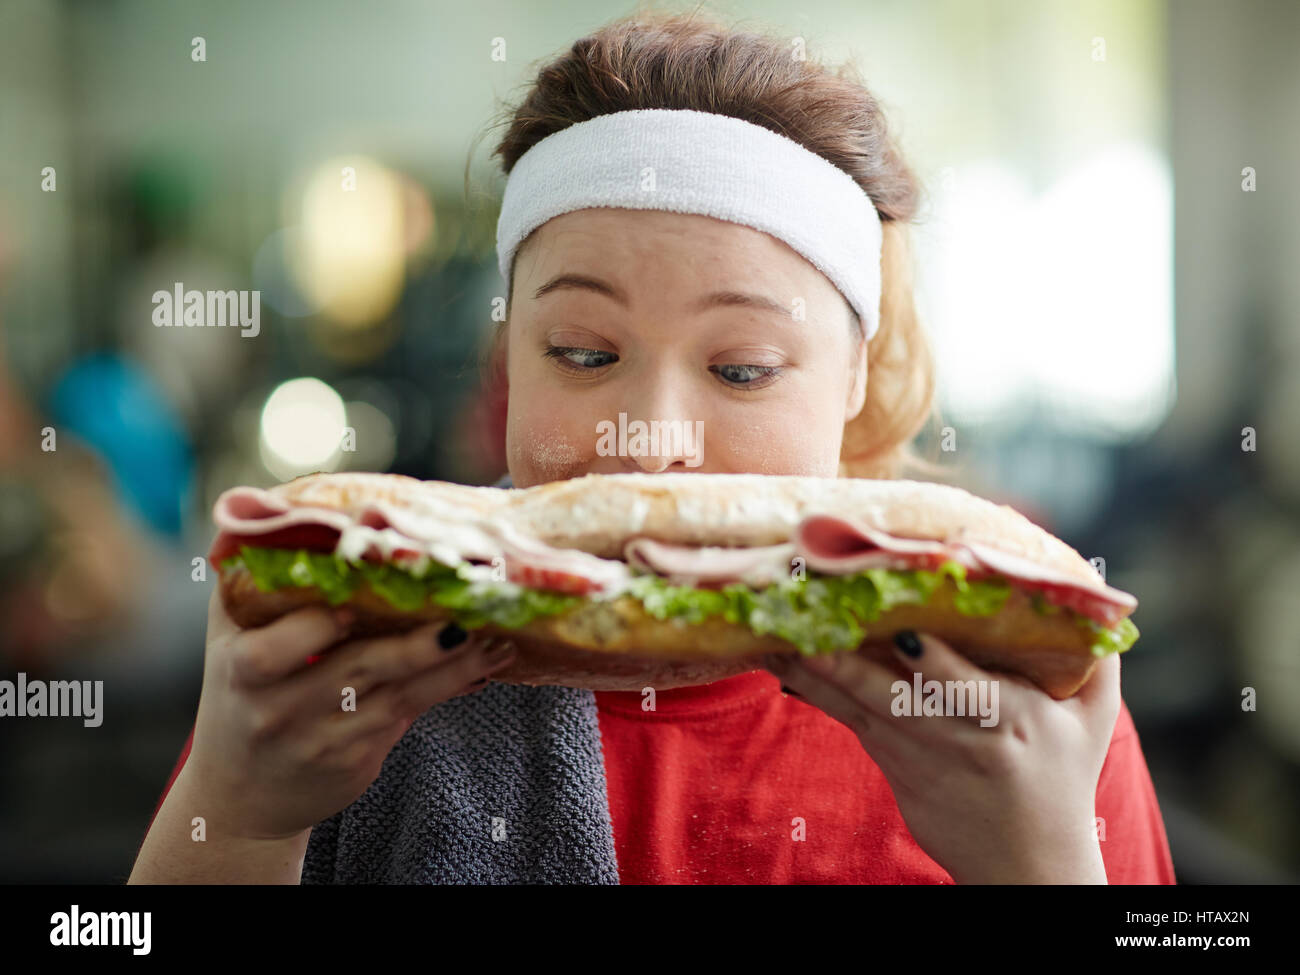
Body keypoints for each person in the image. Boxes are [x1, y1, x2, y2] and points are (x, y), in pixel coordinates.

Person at [130, 9, 1175, 885]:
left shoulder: (1017, 701)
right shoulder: (341, 659)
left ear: (853, 375)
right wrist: (244, 813)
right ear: (510, 357)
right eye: (583, 354)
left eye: (742, 369)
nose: (652, 442)